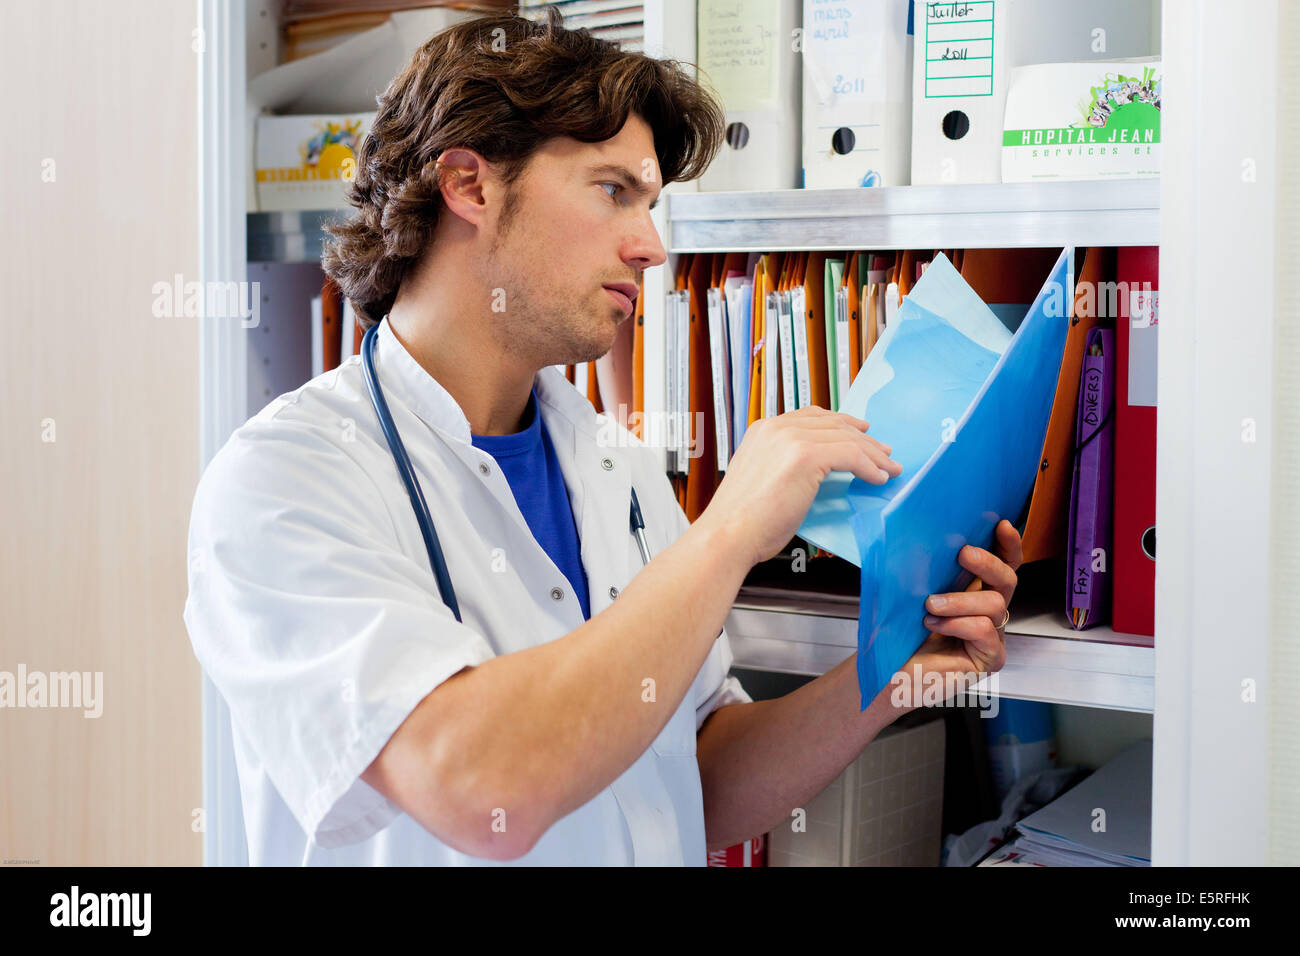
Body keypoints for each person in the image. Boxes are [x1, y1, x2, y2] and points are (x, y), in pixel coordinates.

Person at [183, 10, 1022, 866]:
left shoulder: (610, 459)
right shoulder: (285, 480)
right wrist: (730, 532)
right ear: (470, 185)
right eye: (613, 190)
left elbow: (699, 771)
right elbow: (477, 787)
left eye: (652, 204)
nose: (652, 247)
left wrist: (888, 679)